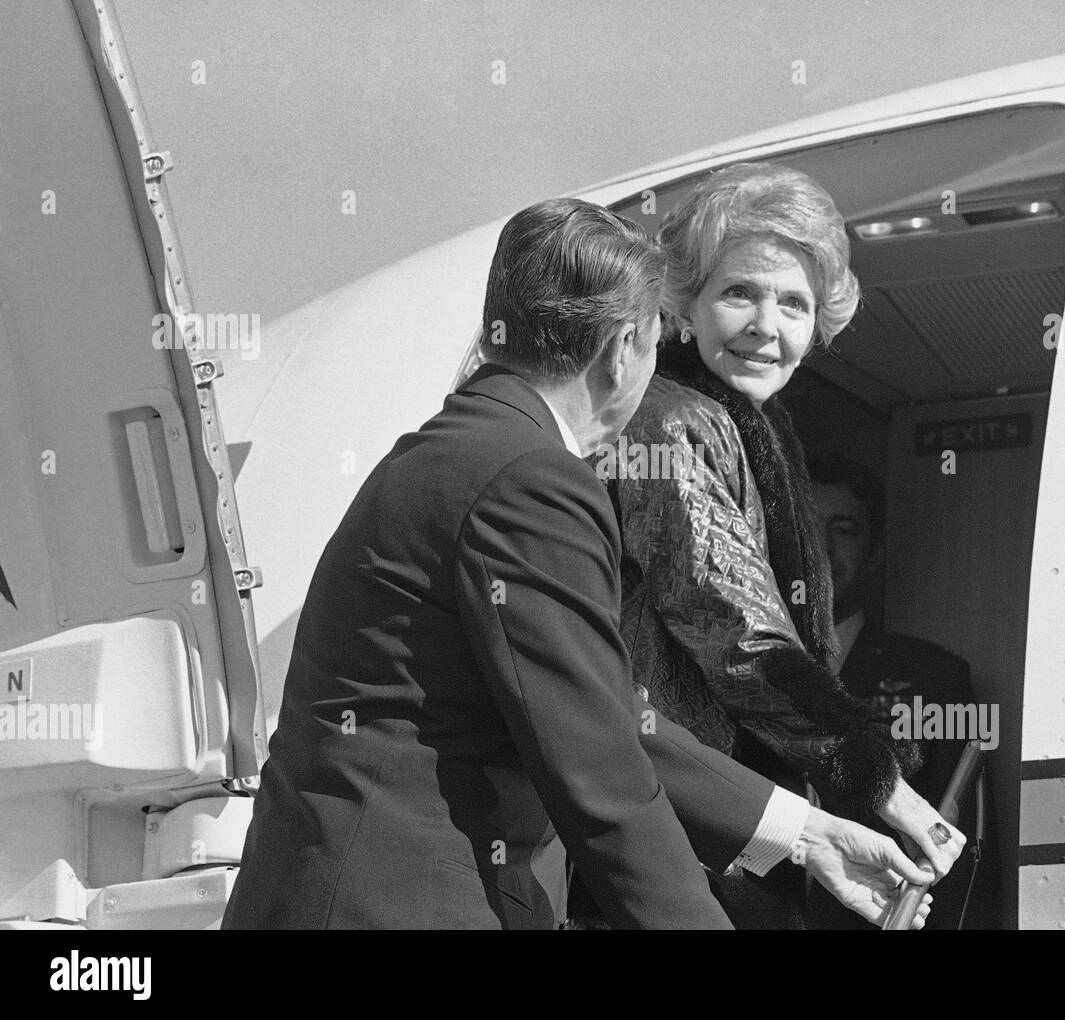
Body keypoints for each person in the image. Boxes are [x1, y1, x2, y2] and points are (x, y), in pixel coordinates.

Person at [223, 197, 937, 930]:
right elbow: (599, 772)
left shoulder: (455, 452)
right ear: (625, 347)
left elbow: (611, 718)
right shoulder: (532, 478)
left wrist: (808, 835)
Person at [603, 163, 963, 928]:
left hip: (722, 830)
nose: (768, 325)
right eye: (740, 293)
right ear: (685, 304)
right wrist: (879, 782)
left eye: (793, 303)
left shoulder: (749, 427)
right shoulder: (670, 421)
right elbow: (736, 638)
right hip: (665, 827)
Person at [805, 453, 999, 929]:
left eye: (844, 530)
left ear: (875, 552)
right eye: (807, 528)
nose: (823, 548)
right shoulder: (740, 667)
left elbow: (965, 852)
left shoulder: (936, 677)